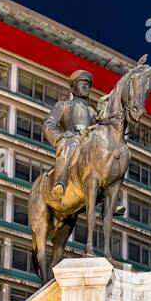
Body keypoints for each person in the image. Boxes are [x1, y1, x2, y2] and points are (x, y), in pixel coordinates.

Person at [45, 70, 96, 203]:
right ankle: (59, 183)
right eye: (82, 84)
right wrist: (60, 137)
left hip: (89, 143)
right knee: (71, 145)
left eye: (88, 85)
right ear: (73, 88)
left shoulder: (93, 112)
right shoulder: (63, 105)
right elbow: (48, 125)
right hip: (71, 139)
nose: (86, 87)